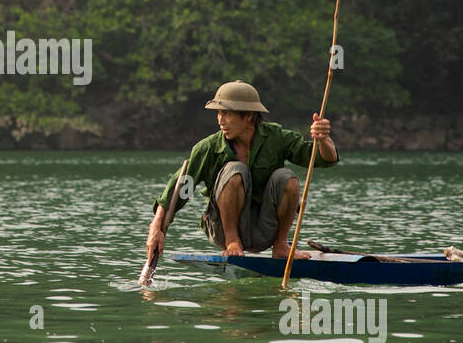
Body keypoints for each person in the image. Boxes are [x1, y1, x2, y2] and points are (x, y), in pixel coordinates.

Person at [143, 80, 338, 276]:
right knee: (235, 171)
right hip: (222, 230)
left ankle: (281, 245)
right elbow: (179, 187)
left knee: (287, 177)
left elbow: (323, 159)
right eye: (219, 113)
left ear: (248, 116)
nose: (221, 120)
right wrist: (156, 227)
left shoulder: (276, 137)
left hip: (263, 230)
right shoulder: (208, 148)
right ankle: (233, 242)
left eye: (227, 114)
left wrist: (323, 139)